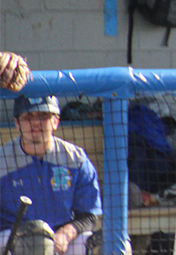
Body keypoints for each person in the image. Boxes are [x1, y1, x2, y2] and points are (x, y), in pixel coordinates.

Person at [1, 95, 102, 255]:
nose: (35, 123)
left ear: (55, 121)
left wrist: (67, 233)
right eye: (28, 117)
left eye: (43, 116)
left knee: (108, 244)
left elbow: (89, 214)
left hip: (61, 239)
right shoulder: (2, 161)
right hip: (12, 239)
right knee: (34, 243)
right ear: (17, 123)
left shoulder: (75, 158)